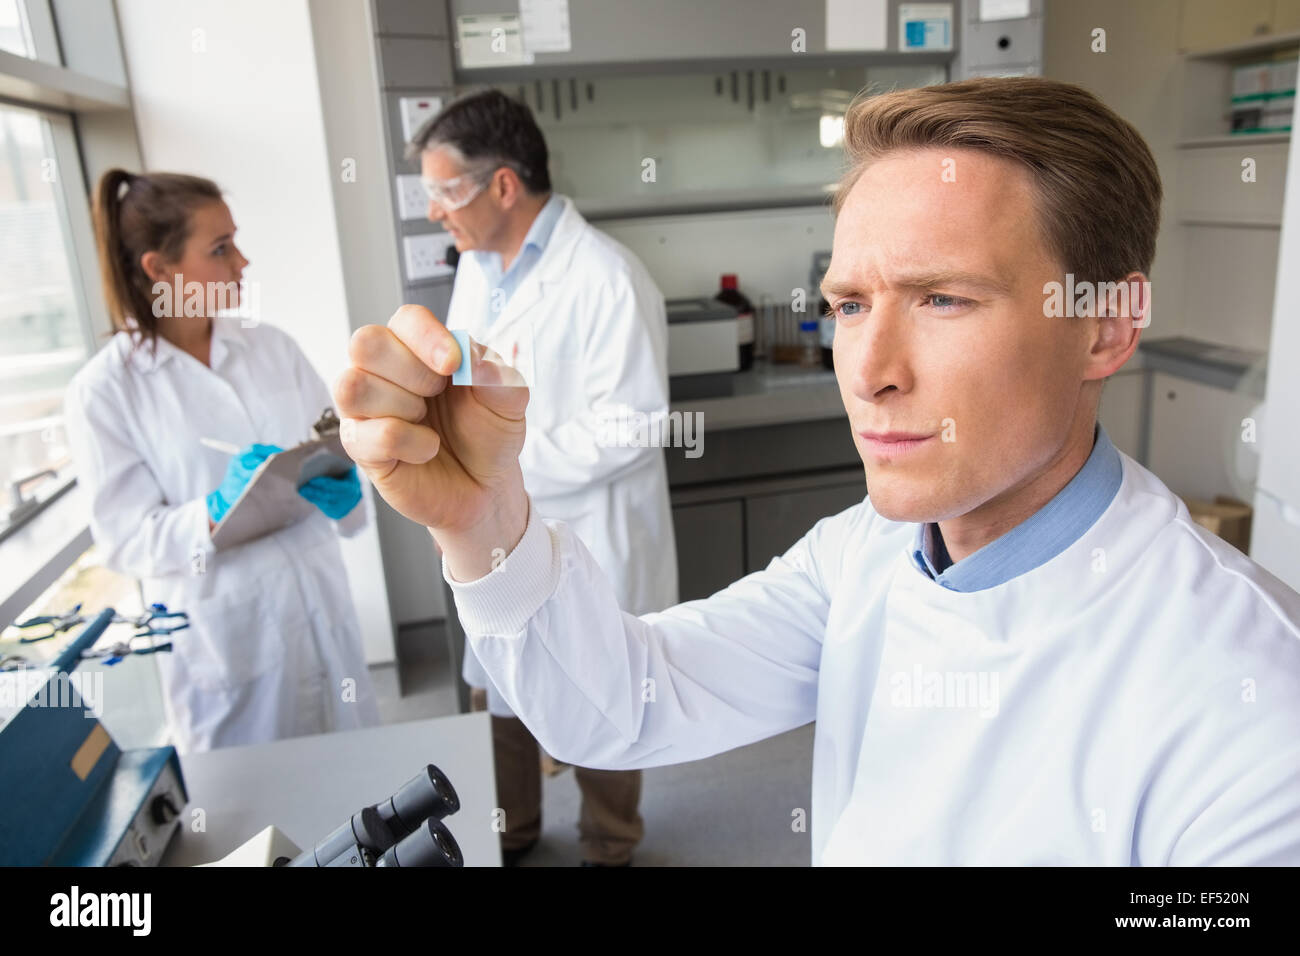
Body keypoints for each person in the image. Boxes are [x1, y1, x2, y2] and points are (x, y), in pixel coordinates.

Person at [334, 76, 1300, 865]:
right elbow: (624, 707)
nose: (871, 373)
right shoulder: (861, 559)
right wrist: (482, 516)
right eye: (847, 305)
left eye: (945, 300)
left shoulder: (1248, 704)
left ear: (1107, 323)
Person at [401, 90, 677, 866]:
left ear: (503, 186)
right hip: (497, 532)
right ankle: (513, 831)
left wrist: (498, 466)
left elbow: (634, 423)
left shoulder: (608, 278)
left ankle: (610, 842)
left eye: (444, 192)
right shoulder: (477, 270)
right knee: (501, 682)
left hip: (587, 531)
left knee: (602, 689)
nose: (433, 212)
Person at [65, 169, 380, 754]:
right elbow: (124, 539)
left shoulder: (271, 346)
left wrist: (349, 484)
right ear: (160, 270)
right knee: (257, 828)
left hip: (320, 609)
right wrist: (210, 513)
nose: (242, 261)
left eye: (235, 241)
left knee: (359, 798)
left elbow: (337, 441)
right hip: (227, 646)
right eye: (220, 248)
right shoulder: (105, 391)